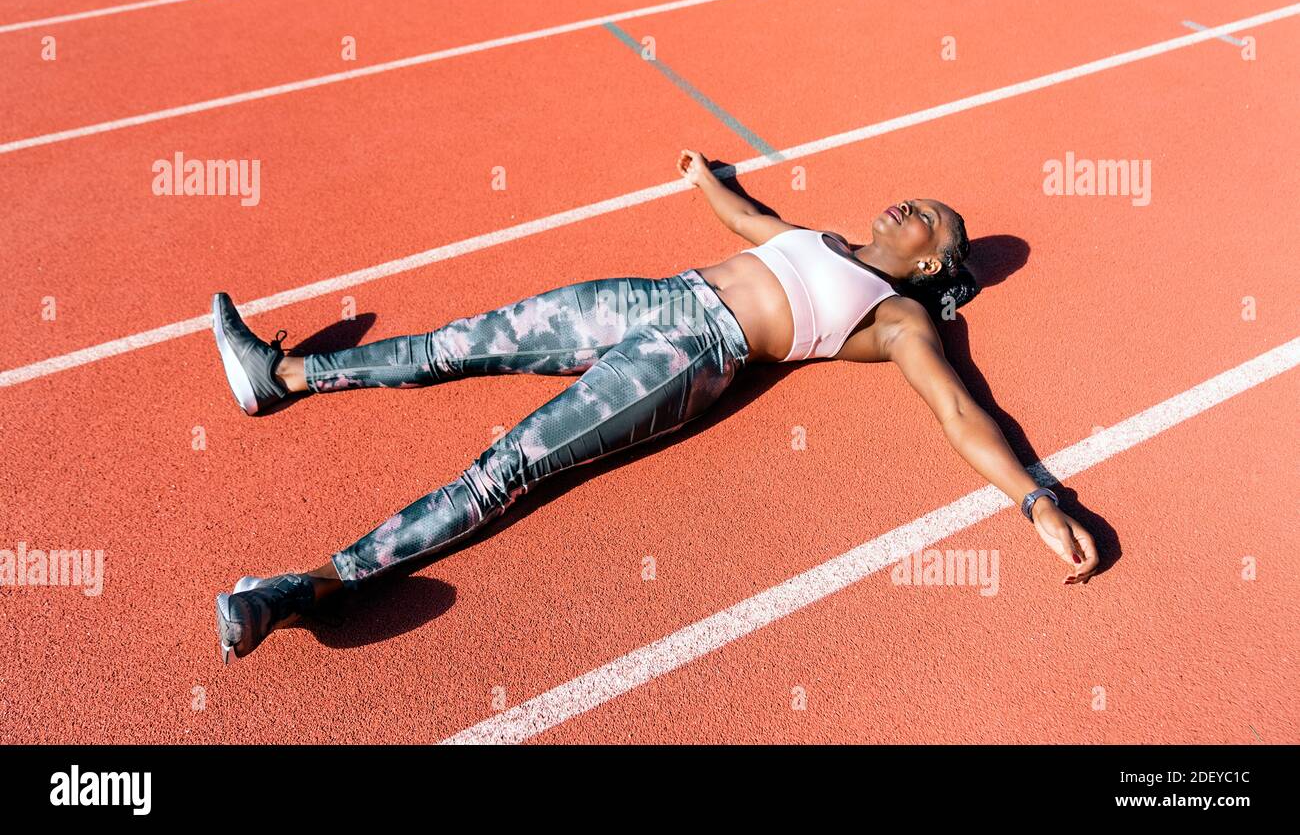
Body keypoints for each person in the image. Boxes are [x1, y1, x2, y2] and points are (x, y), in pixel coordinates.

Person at [211, 149, 1098, 662]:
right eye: (920, 202)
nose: (916, 205)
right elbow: (743, 215)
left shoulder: (898, 317)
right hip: (651, 297)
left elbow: (957, 409)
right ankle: (279, 377)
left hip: (690, 356)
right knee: (461, 340)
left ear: (936, 262)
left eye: (932, 219)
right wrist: (705, 173)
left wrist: (1037, 498)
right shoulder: (815, 235)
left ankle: (310, 589)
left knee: (508, 465)